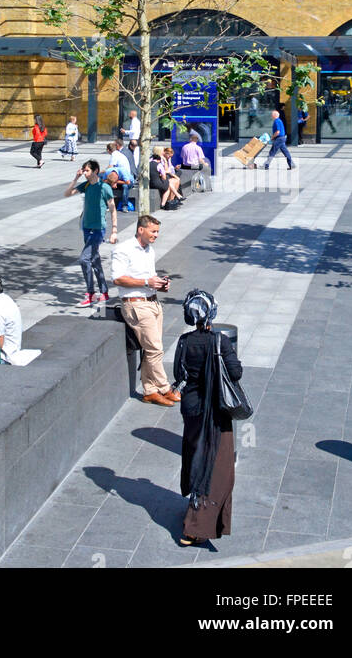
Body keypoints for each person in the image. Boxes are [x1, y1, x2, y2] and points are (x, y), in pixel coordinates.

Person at [173, 289, 244, 546]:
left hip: (192, 410)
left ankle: (195, 508)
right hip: (215, 412)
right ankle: (195, 525)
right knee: (217, 468)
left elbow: (179, 374)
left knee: (196, 458)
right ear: (211, 313)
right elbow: (235, 373)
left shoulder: (184, 342)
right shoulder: (219, 341)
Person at [111, 215, 180, 406]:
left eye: (157, 231)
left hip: (153, 302)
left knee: (153, 349)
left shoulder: (149, 250)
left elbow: (149, 277)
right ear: (141, 229)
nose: (156, 235)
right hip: (136, 304)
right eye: (153, 231)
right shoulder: (123, 249)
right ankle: (165, 387)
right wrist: (147, 282)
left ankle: (150, 391)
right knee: (155, 348)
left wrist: (159, 284)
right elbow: (117, 279)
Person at [63, 159, 117, 306]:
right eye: (84, 170)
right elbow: (67, 193)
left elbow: (112, 208)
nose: (85, 173)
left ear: (95, 171)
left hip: (98, 229)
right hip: (87, 227)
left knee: (84, 259)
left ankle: (90, 293)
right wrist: (75, 178)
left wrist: (114, 231)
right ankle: (104, 292)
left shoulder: (104, 187)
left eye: (87, 170)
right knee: (94, 260)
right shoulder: (86, 185)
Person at [104, 137, 134, 210]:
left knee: (125, 186)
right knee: (106, 186)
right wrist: (111, 182)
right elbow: (105, 179)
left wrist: (115, 182)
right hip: (117, 178)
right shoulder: (110, 171)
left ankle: (125, 205)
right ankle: (107, 204)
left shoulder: (115, 155)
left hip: (127, 178)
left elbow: (127, 182)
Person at [149, 146, 178, 211]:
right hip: (157, 180)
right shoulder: (159, 163)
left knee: (174, 181)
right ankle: (164, 203)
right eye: (162, 151)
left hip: (150, 181)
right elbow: (164, 176)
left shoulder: (149, 160)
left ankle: (175, 197)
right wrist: (165, 162)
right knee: (168, 185)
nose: (164, 152)